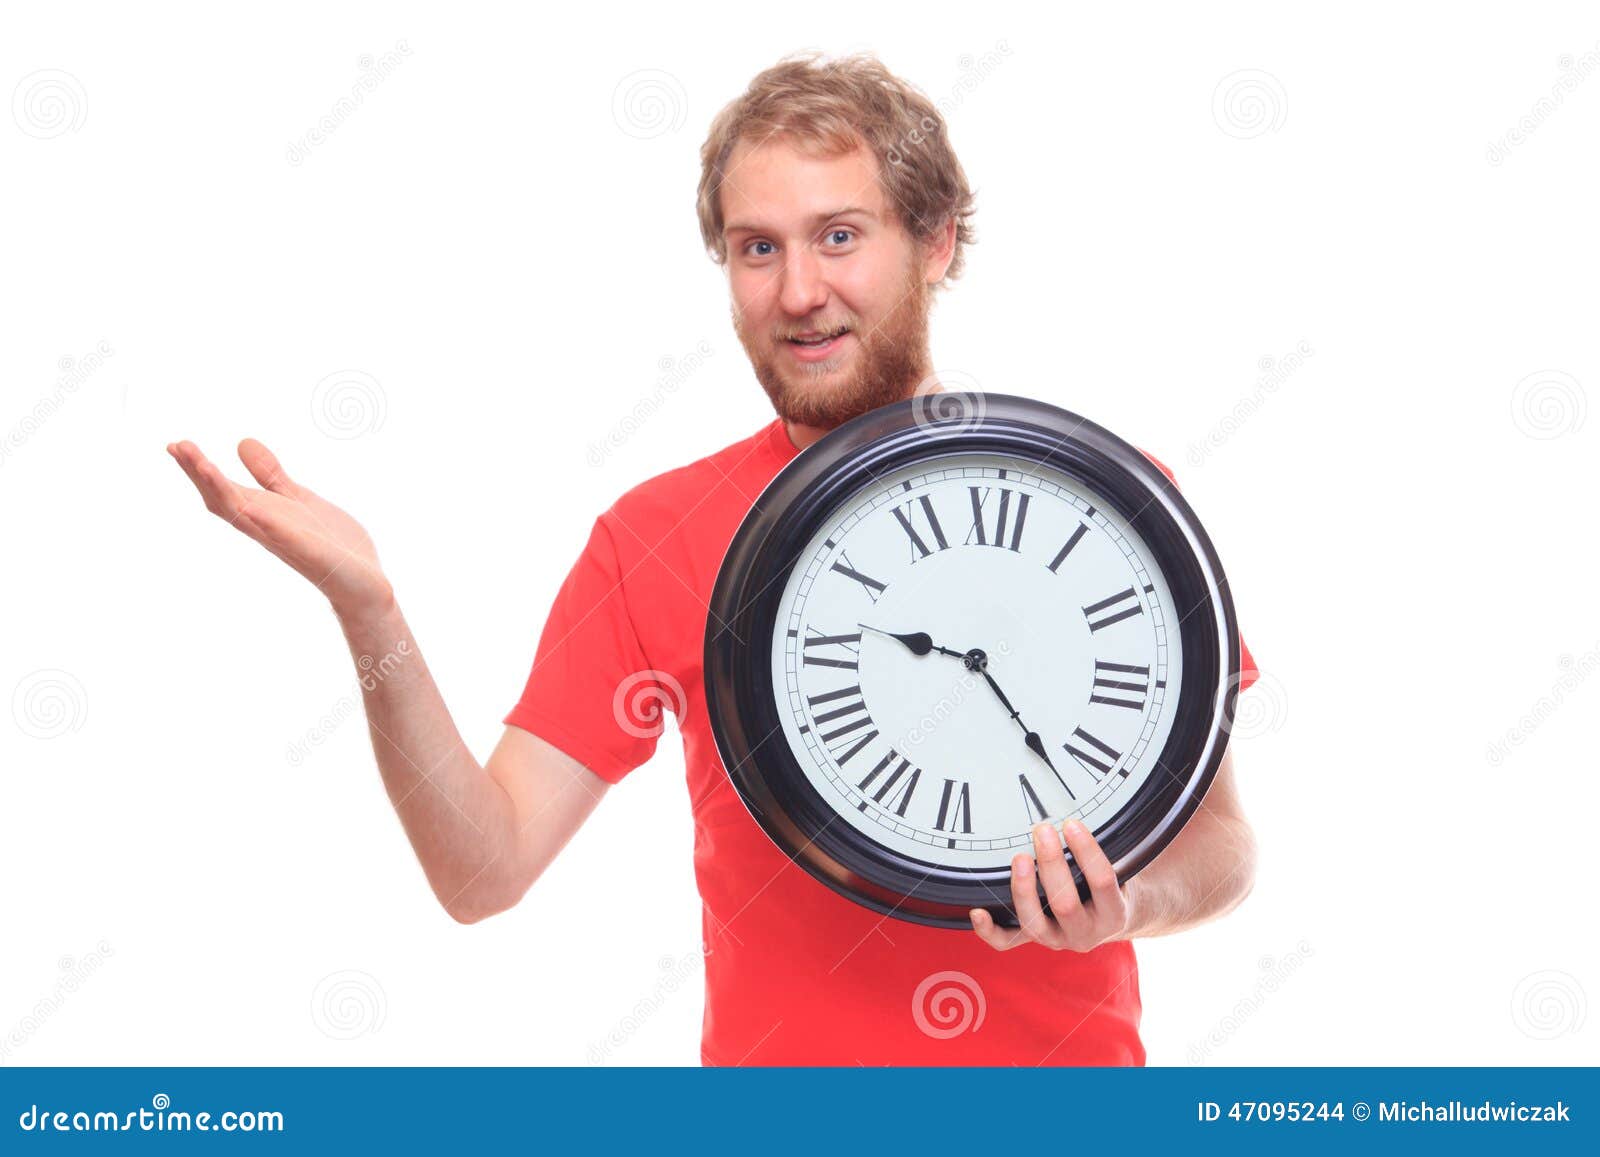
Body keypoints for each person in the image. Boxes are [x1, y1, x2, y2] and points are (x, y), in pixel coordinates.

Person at [168, 51, 1261, 1065]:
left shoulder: (1105, 502)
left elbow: (1217, 846)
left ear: (934, 243)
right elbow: (481, 870)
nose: (797, 292)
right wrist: (373, 614)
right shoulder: (654, 534)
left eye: (840, 235)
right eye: (757, 247)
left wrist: (1128, 905)